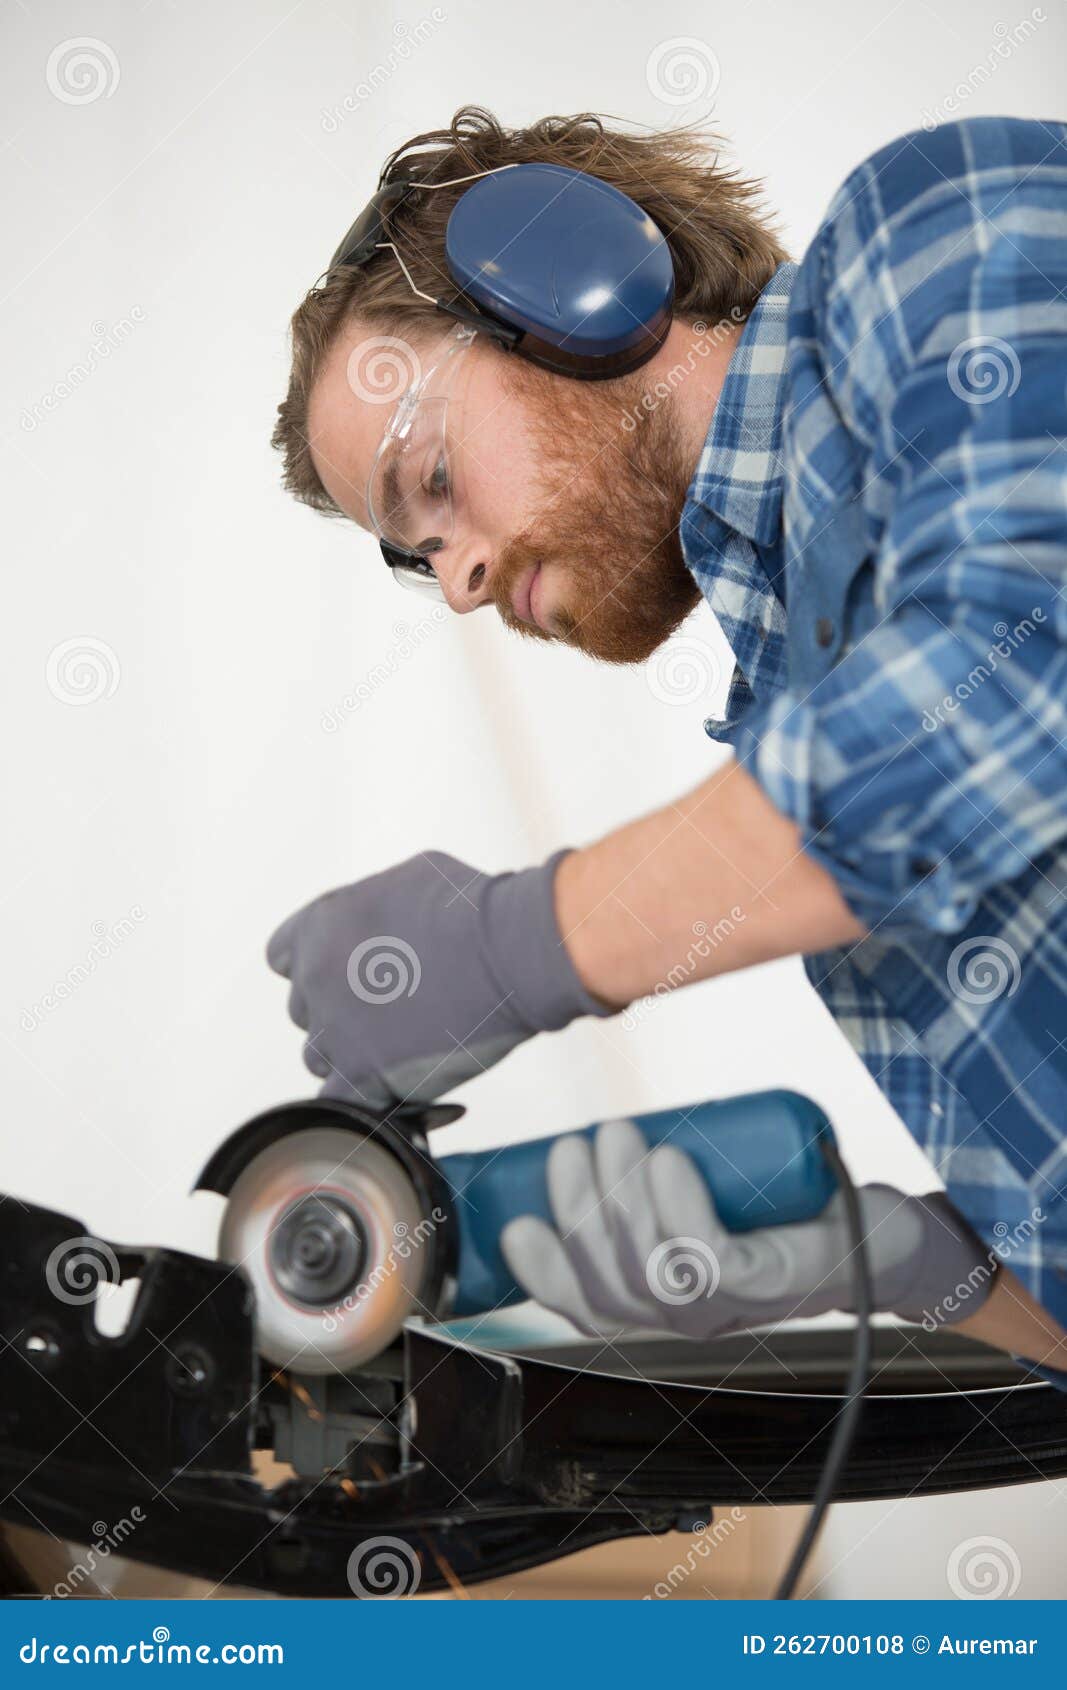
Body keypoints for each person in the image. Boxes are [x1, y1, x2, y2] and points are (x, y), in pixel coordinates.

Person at [267, 107, 1067, 1380]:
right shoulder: (790, 747)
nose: (460, 578)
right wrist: (898, 1259)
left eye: (431, 479)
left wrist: (526, 940)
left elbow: (1027, 674)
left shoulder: (931, 225)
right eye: (416, 558)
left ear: (565, 279)